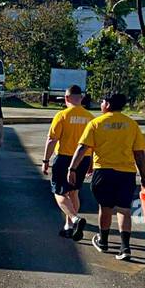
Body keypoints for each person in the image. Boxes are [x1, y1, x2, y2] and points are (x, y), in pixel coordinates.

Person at [67, 92, 145, 262]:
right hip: (126, 173)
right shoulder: (131, 124)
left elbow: (82, 148)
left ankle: (103, 241)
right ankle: (125, 247)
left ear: (106, 104)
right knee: (125, 210)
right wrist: (143, 176)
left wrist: (72, 168)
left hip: (103, 172)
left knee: (105, 207)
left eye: (102, 101)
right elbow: (139, 153)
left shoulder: (96, 123)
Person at [41, 84, 94, 240]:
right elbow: (93, 143)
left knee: (59, 192)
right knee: (74, 192)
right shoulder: (90, 118)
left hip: (64, 158)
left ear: (66, 98)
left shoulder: (62, 115)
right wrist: (91, 163)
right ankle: (69, 226)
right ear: (81, 98)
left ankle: (75, 218)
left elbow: (52, 140)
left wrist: (45, 160)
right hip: (83, 159)